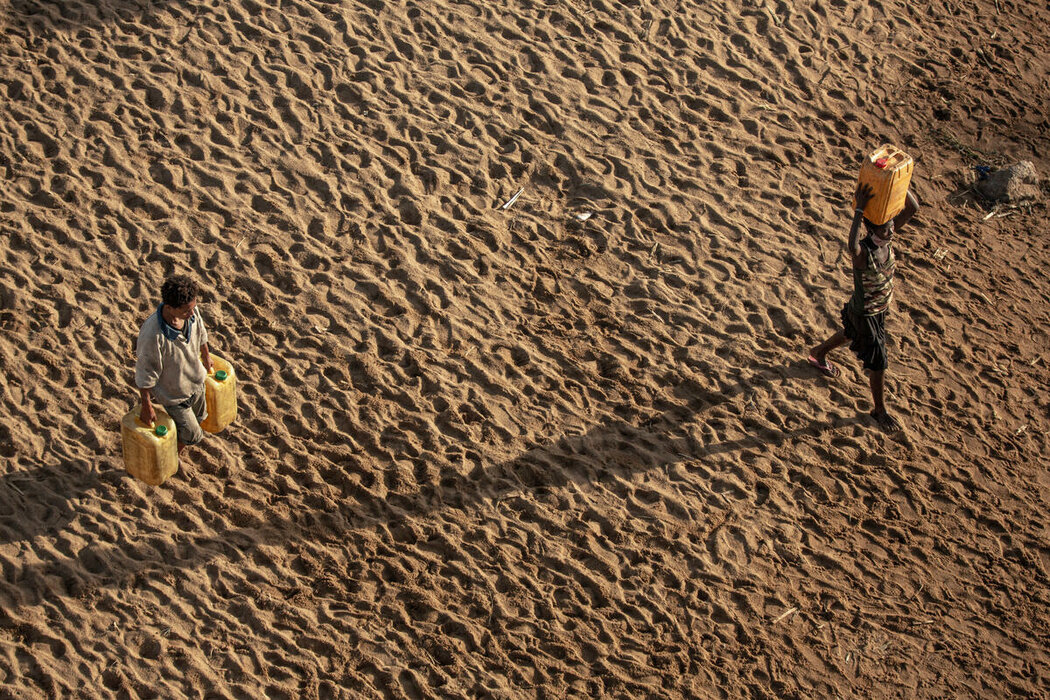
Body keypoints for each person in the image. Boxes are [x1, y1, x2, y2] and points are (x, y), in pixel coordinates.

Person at [809, 183, 919, 430]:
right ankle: (879, 410)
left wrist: (898, 179)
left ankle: (818, 353)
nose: (892, 227)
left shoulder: (885, 238)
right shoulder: (865, 251)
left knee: (851, 334)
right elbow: (851, 245)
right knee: (878, 363)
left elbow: (912, 207)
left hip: (875, 310)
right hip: (866, 312)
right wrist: (859, 210)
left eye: (891, 224)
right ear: (872, 228)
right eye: (885, 225)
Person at [135, 275, 213, 453]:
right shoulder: (152, 336)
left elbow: (201, 332)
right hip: (174, 395)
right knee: (192, 434)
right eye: (186, 310)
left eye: (193, 307)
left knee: (199, 417)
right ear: (169, 308)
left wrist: (206, 355)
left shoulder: (191, 312)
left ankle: (174, 448)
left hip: (196, 381)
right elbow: (145, 373)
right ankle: (170, 456)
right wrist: (146, 406)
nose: (192, 313)